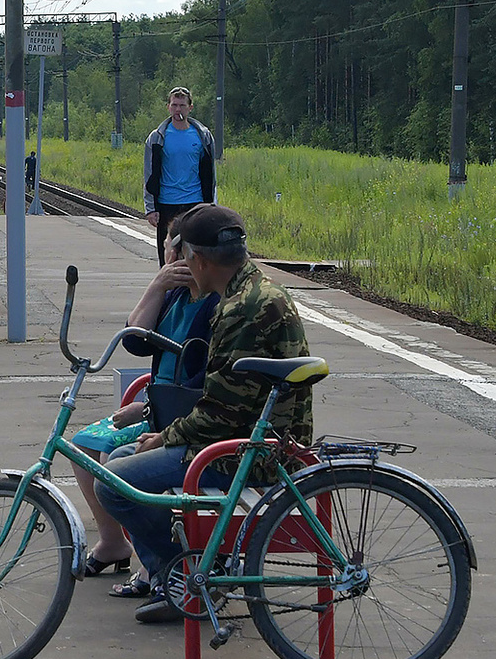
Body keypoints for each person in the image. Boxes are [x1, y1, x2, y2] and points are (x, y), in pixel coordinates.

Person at [94, 204, 314, 623]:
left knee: (113, 482)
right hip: (254, 440)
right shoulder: (254, 292)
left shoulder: (239, 311)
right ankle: (174, 577)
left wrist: (164, 437)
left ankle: (191, 577)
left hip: (248, 454)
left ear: (197, 258)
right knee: (122, 461)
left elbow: (219, 414)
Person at [68, 226, 219, 590]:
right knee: (83, 445)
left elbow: (203, 383)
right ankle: (113, 541)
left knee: (115, 463)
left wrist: (144, 409)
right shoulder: (174, 298)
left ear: (189, 256)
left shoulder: (215, 306)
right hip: (157, 407)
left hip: (171, 416)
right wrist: (157, 287)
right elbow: (135, 340)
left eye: (169, 252)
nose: (165, 260)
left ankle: (156, 567)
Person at [143, 85, 218, 267]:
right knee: (168, 255)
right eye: (174, 105)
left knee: (197, 254)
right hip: (167, 203)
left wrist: (212, 205)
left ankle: (194, 291)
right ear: (168, 107)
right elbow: (149, 174)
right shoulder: (157, 138)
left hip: (195, 202)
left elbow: (211, 174)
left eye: (182, 105)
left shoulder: (203, 137)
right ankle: (168, 292)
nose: (178, 110)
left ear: (190, 107)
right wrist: (150, 209)